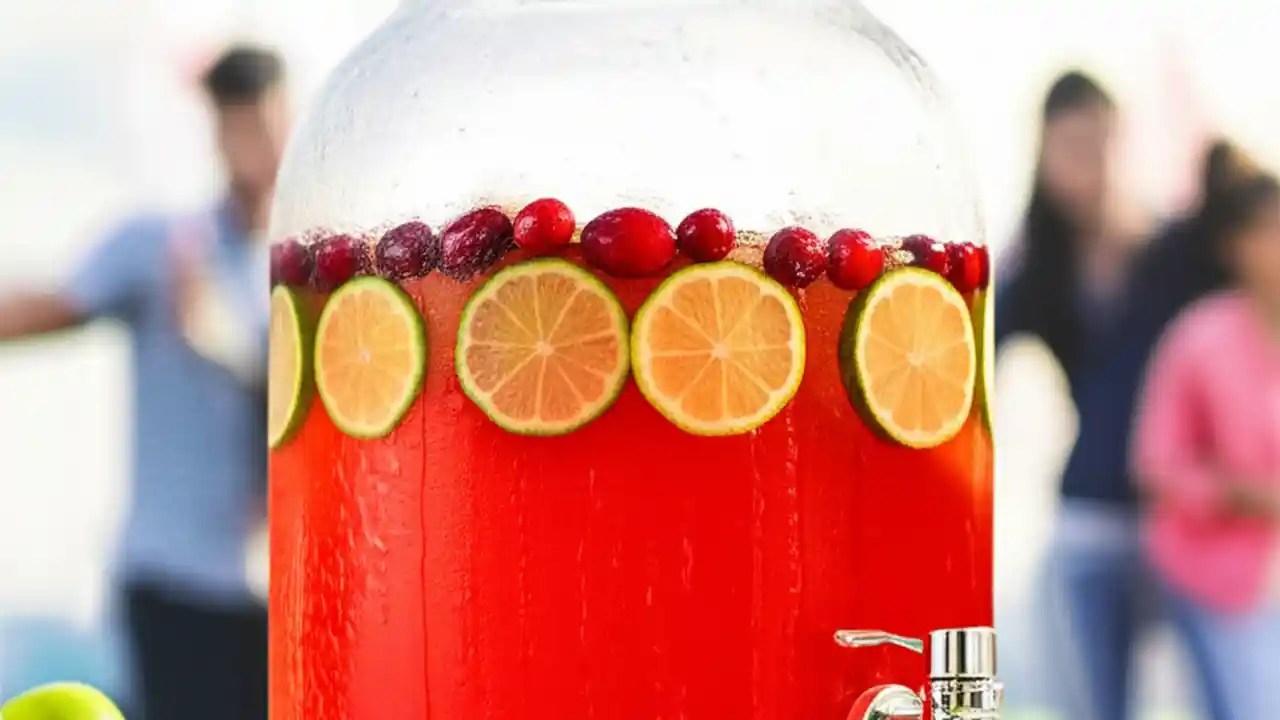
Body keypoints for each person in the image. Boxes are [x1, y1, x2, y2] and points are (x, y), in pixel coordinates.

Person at [0, 45, 288, 720]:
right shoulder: (160, 246)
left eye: (270, 123)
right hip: (174, 584)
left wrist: (225, 348)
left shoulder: (306, 265)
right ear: (217, 130)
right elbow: (43, 310)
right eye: (242, 125)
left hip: (272, 589)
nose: (260, 144)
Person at [995, 71, 1154, 720]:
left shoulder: (1173, 251)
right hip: (1090, 514)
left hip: (1190, 522)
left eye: (1103, 143)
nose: (1092, 164)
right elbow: (977, 366)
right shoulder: (1034, 266)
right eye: (1073, 146)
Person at [1132, 171, 1280, 720]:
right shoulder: (1202, 337)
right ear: (1236, 246)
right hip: (1218, 578)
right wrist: (1240, 494)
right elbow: (1156, 464)